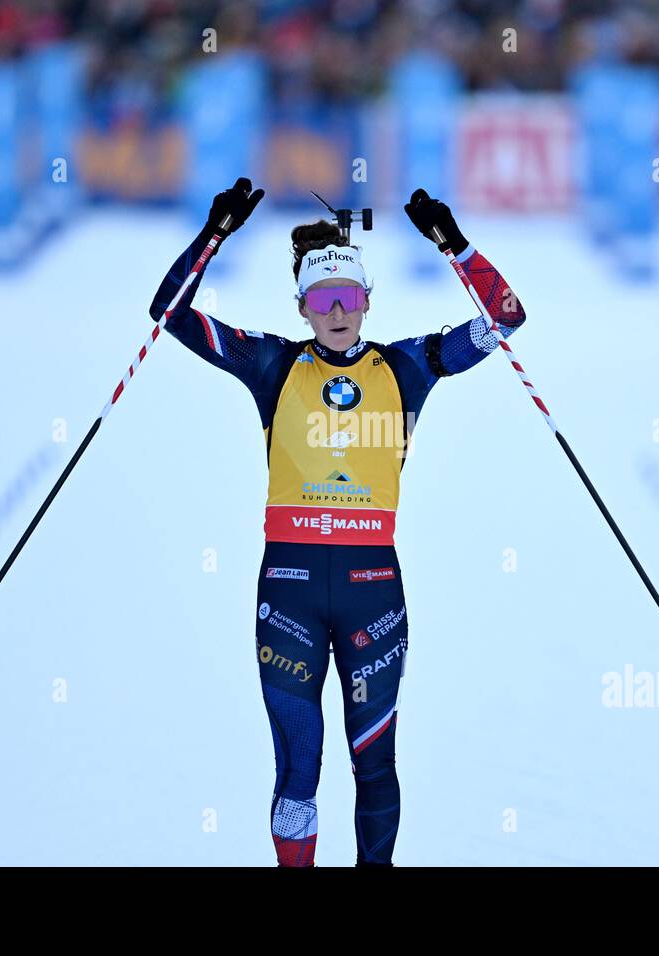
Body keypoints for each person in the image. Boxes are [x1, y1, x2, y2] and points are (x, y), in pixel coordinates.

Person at [148, 178, 526, 866]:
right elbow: (168, 313)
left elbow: (505, 316)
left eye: (348, 297)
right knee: (298, 772)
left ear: (366, 300)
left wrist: (453, 242)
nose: (337, 312)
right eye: (322, 301)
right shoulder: (273, 363)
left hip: (372, 591)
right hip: (287, 591)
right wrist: (215, 234)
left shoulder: (409, 365)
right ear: (303, 307)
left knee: (374, 765)